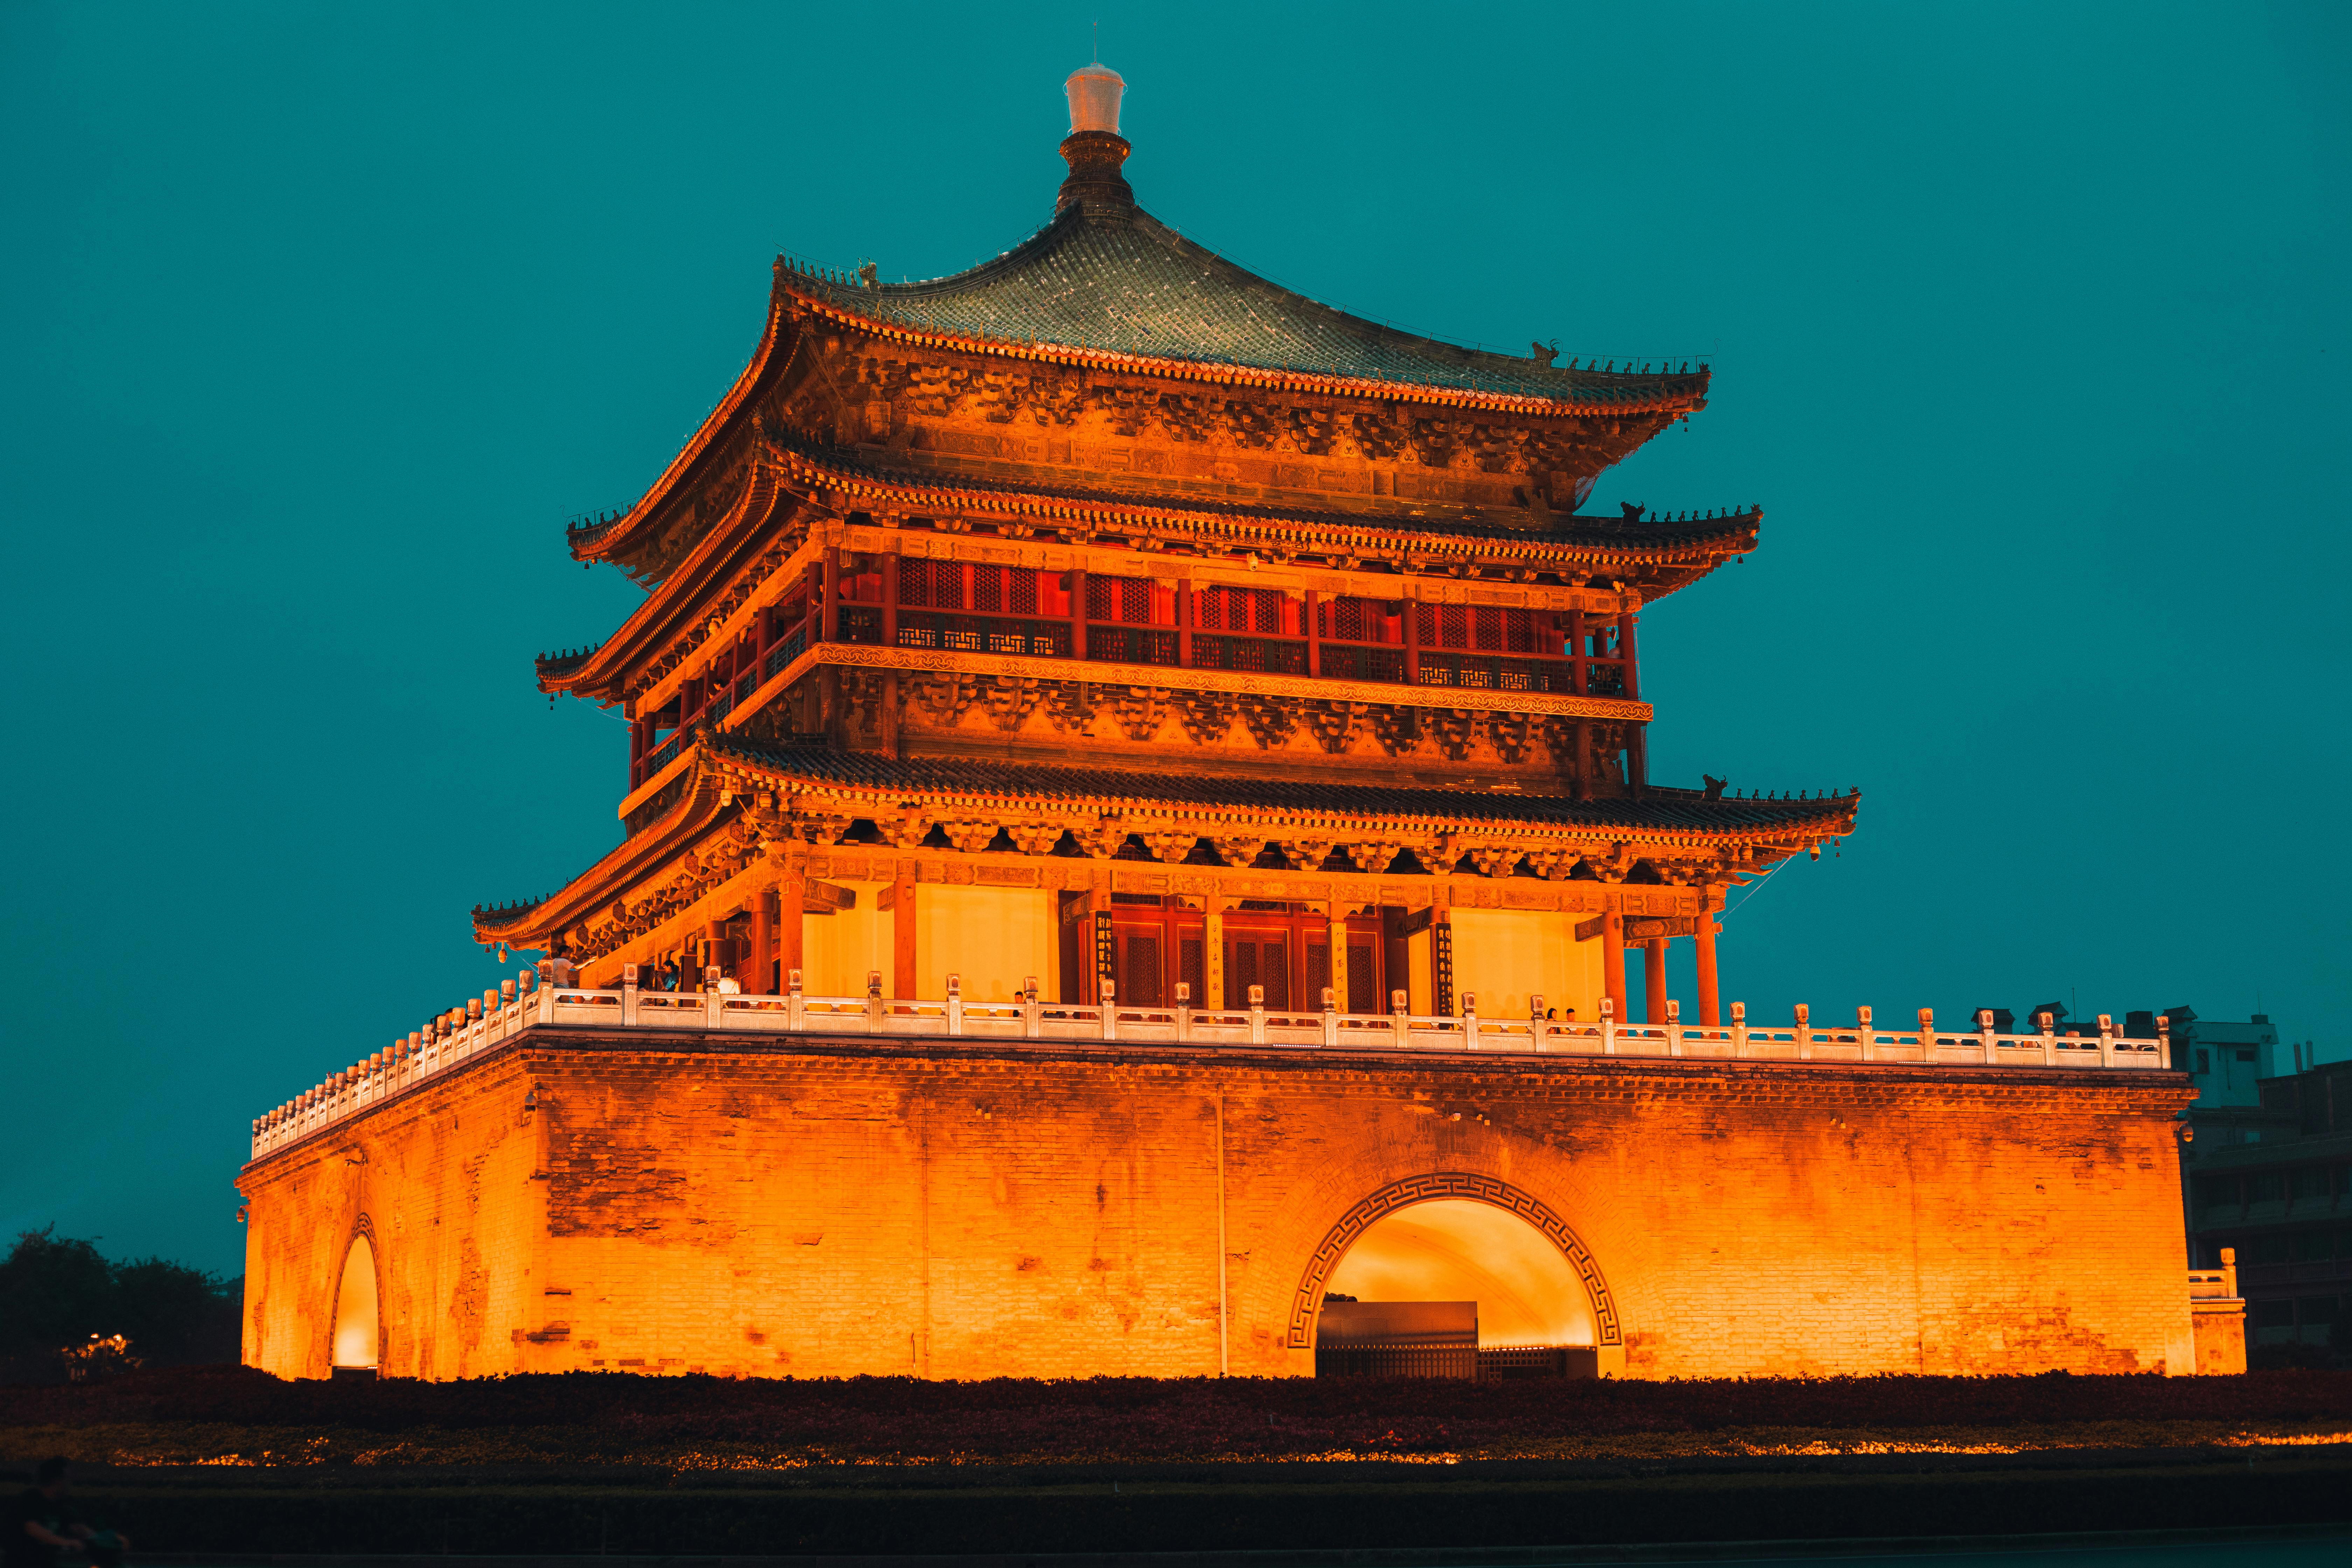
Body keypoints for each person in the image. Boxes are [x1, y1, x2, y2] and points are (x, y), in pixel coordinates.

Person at [9, 1458, 128, 1568]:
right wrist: (67, 1543)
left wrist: (108, 1540)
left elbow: (78, 1528)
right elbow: (33, 1529)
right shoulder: (30, 1499)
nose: (70, 1483)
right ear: (57, 1480)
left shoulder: (60, 1505)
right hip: (23, 1563)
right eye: (68, 1478)